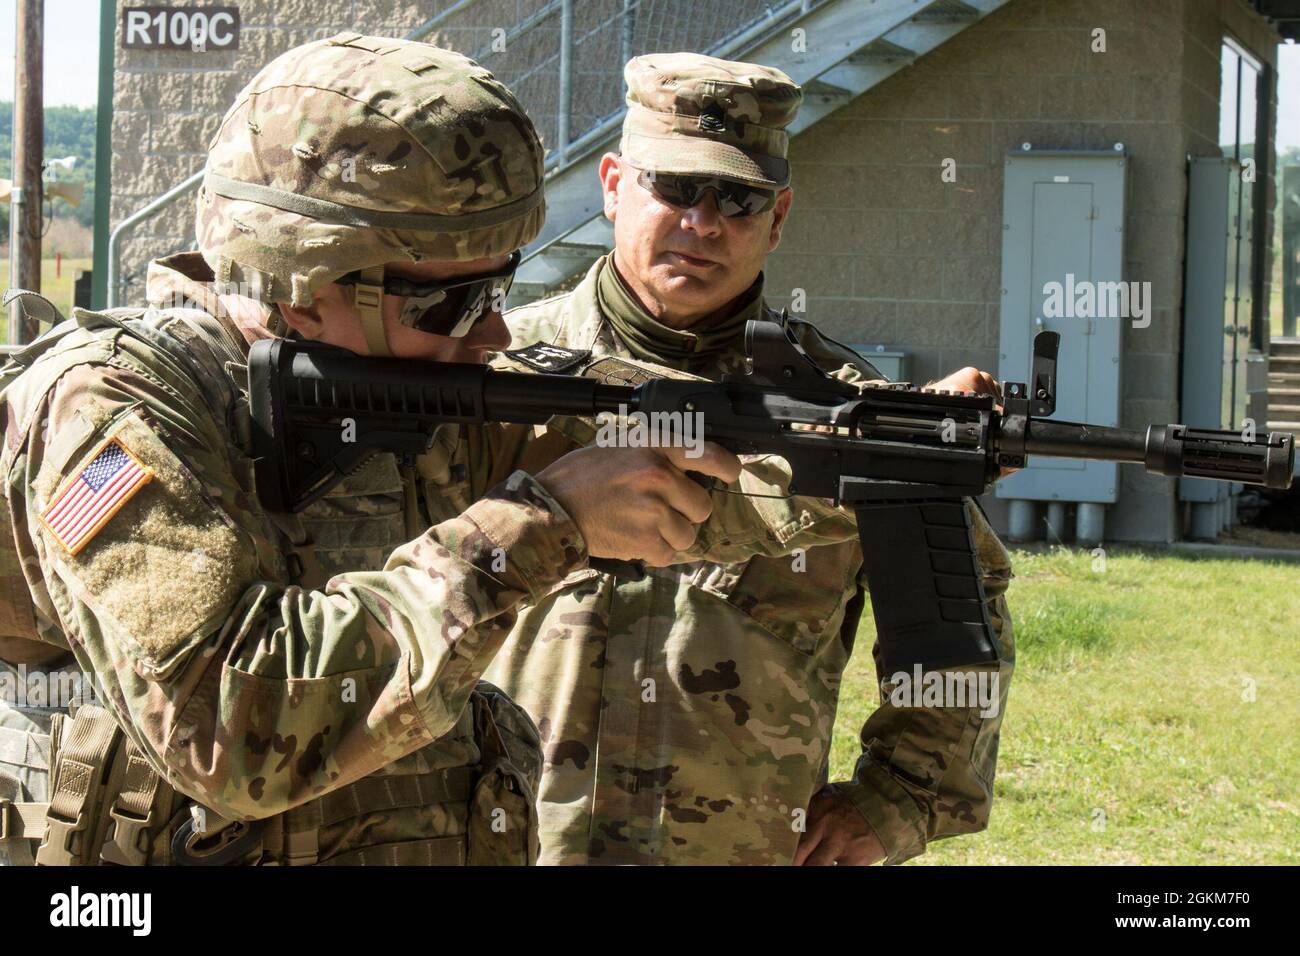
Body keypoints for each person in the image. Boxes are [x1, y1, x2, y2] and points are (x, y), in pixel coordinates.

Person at [0, 35, 742, 866]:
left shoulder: (410, 385)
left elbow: (692, 473)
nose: (493, 331)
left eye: (499, 289)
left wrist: (856, 455)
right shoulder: (108, 413)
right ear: (308, 287)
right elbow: (233, 729)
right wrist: (539, 526)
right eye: (454, 301)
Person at [486, 52, 1016, 865]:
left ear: (778, 217)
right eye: (674, 188)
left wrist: (902, 797)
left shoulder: (853, 415)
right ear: (613, 183)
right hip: (508, 838)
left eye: (738, 199)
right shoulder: (492, 374)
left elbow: (961, 611)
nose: (703, 224)